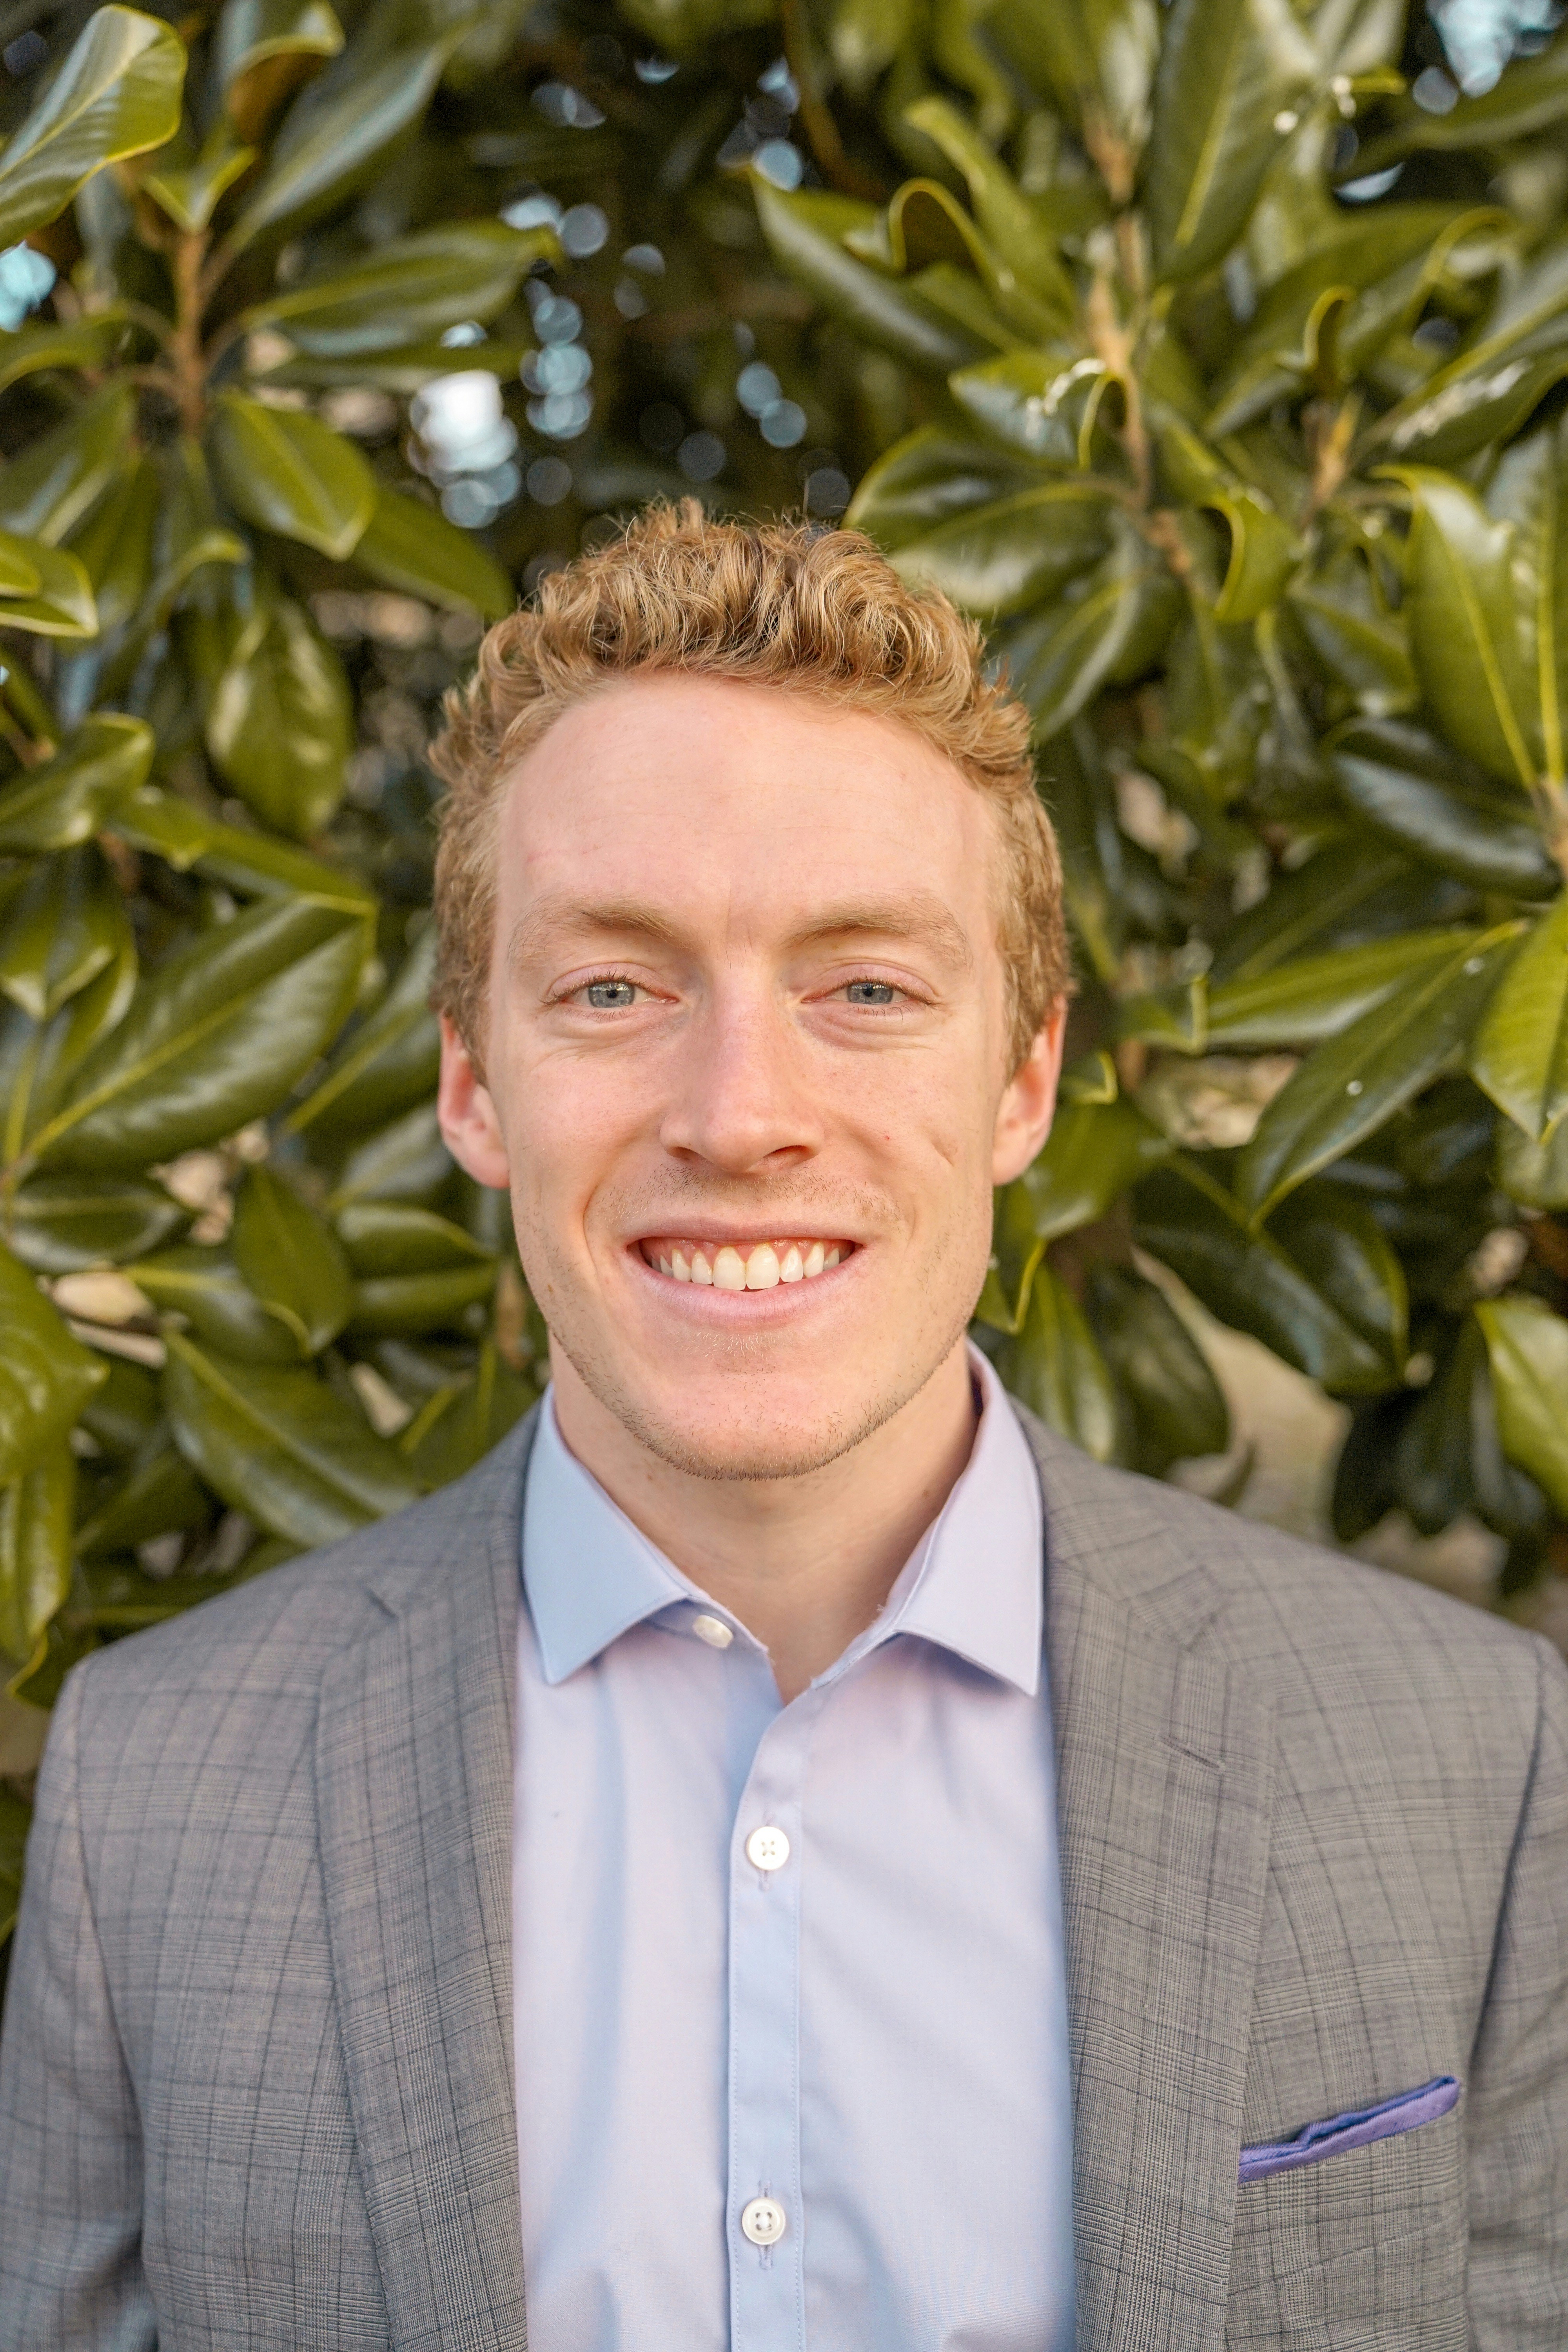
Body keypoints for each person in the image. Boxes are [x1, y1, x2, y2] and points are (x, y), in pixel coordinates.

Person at [0, 505, 1563, 2352]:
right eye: (611, 987)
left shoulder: (1474, 1763)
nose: (742, 1113)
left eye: (867, 989)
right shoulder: (151, 1792)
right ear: (471, 1083)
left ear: (1024, 1074)